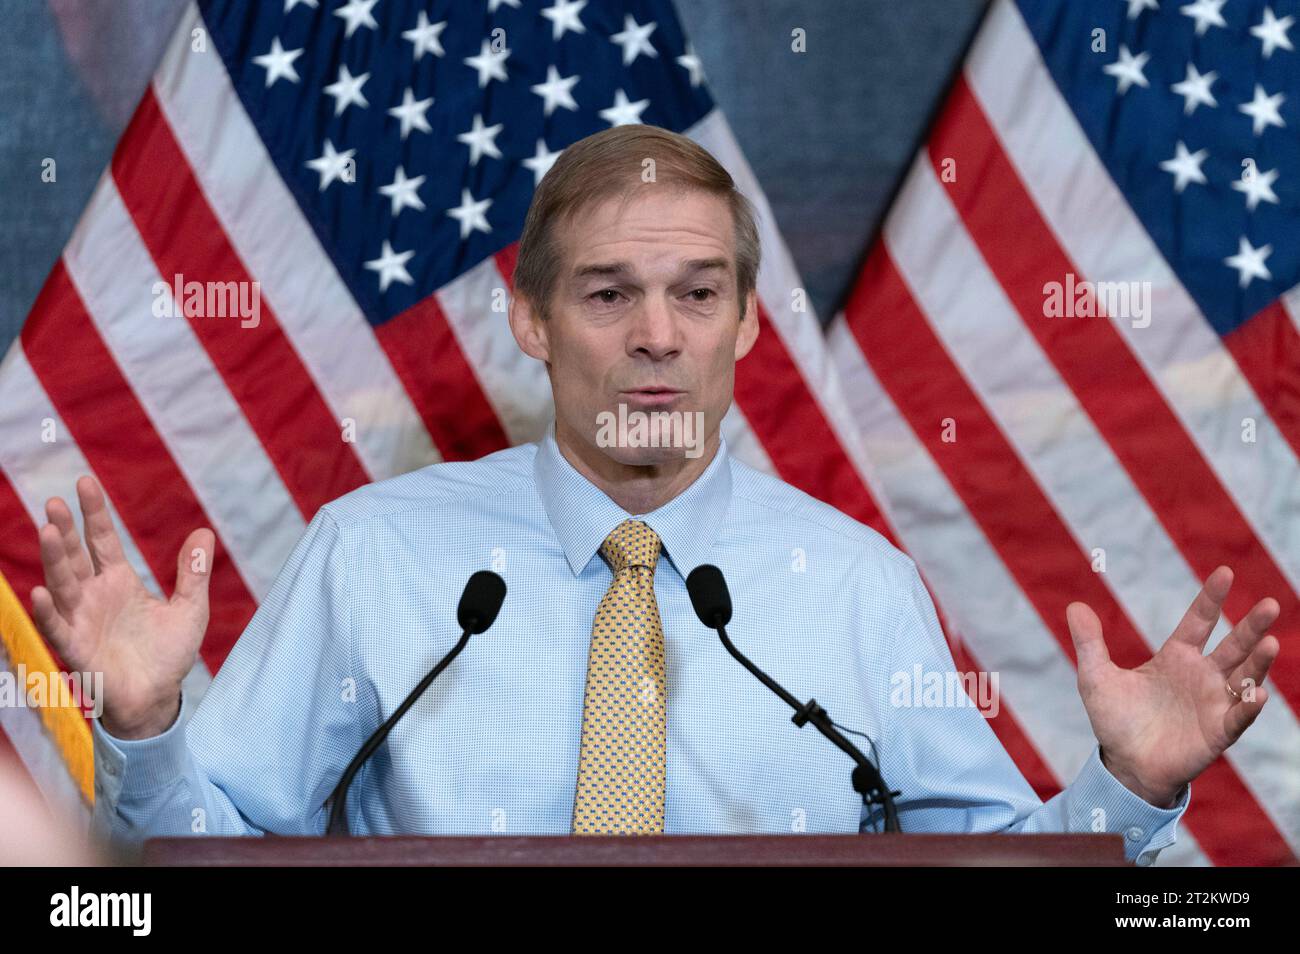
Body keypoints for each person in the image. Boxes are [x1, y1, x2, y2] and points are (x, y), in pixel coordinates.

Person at [31, 125, 1279, 863]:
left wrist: (1132, 789)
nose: (655, 335)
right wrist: (144, 725)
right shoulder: (375, 554)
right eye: (607, 291)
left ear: (743, 323)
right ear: (529, 318)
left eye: (694, 294)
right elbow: (188, 871)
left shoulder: (852, 583)